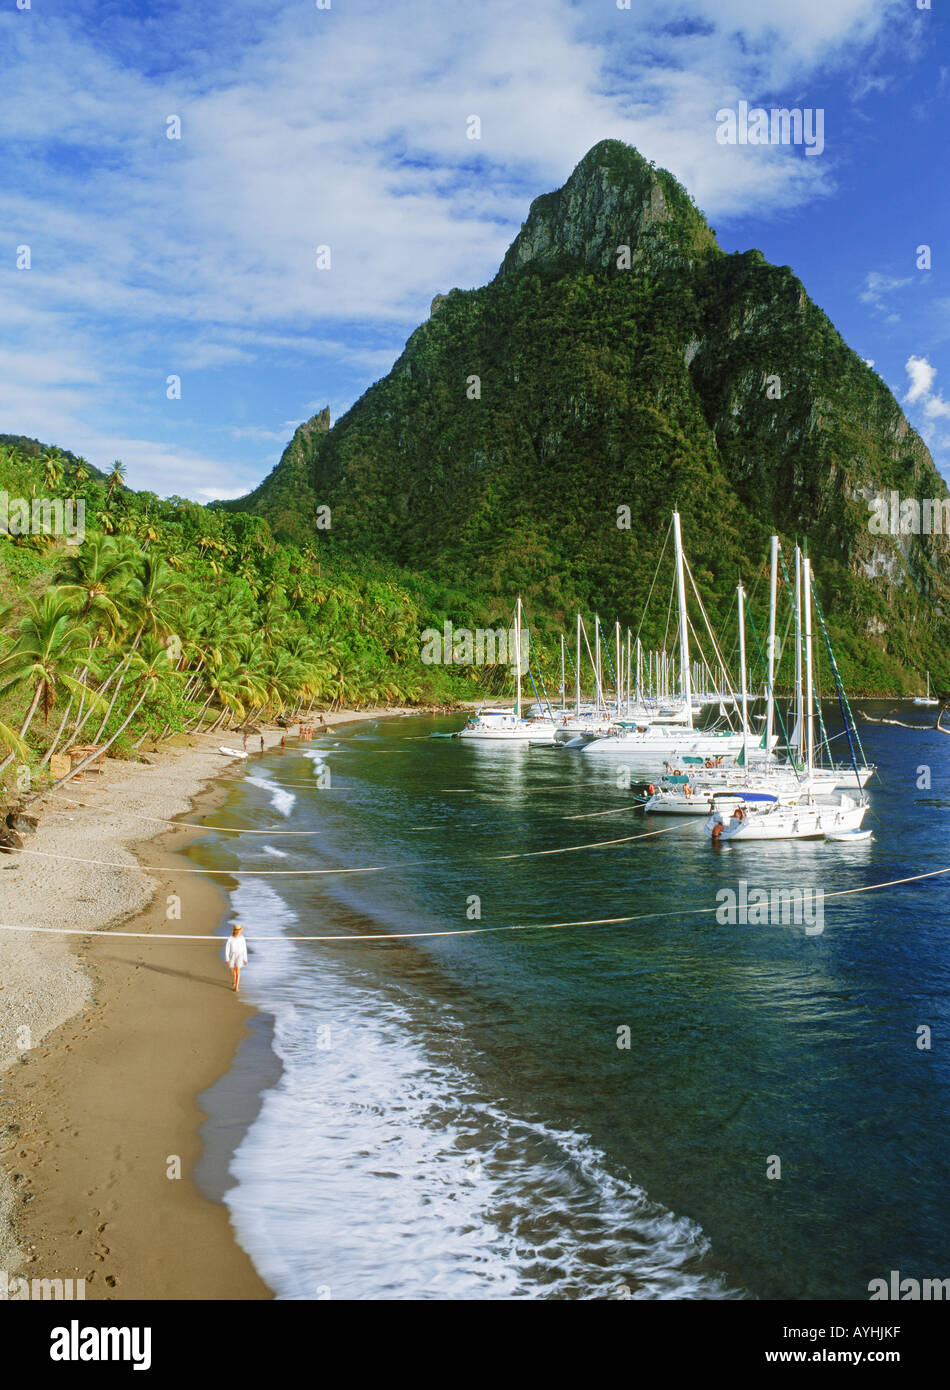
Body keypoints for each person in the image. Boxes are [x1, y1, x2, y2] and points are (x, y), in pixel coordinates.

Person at [225, 923, 248, 993]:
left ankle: (236, 987)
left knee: (237, 970)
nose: (238, 931)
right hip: (232, 955)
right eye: (236, 930)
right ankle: (234, 981)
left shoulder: (242, 938)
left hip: (240, 955)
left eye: (239, 930)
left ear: (241, 931)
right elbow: (227, 949)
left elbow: (244, 948)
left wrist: (245, 958)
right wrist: (227, 959)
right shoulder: (230, 938)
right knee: (232, 971)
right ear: (234, 930)